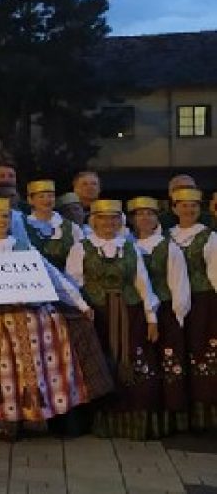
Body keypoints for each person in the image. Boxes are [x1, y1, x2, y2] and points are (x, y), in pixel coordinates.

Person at [0, 197, 99, 441]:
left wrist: (80, 303)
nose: (0, 221)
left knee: (28, 368)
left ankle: (32, 415)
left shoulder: (23, 246)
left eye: (4, 216)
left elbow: (54, 276)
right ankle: (6, 421)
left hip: (25, 317)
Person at [66, 199, 161, 440]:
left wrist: (152, 317)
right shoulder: (81, 247)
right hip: (96, 314)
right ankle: (102, 422)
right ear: (93, 220)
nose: (109, 223)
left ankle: (133, 423)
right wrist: (83, 307)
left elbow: (142, 282)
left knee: (132, 362)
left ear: (121, 221)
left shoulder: (130, 247)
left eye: (114, 218)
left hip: (130, 313)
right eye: (103, 218)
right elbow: (71, 283)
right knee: (101, 362)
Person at [127, 196, 191, 434]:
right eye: (140, 214)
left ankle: (170, 419)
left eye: (150, 213)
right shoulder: (127, 244)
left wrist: (178, 315)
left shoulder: (168, 246)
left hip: (164, 309)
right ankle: (146, 414)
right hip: (137, 312)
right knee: (145, 363)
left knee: (168, 362)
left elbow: (179, 282)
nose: (145, 218)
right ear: (133, 219)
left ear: (157, 217)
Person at [167, 187, 217, 429]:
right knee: (177, 352)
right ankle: (180, 412)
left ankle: (204, 415)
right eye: (184, 205)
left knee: (201, 352)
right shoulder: (167, 236)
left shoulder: (209, 237)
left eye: (194, 205)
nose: (189, 209)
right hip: (173, 304)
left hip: (203, 303)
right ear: (174, 208)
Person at [24, 180, 84, 271]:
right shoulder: (23, 225)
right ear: (30, 200)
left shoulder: (71, 227)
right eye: (41, 197)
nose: (46, 200)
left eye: (50, 196)